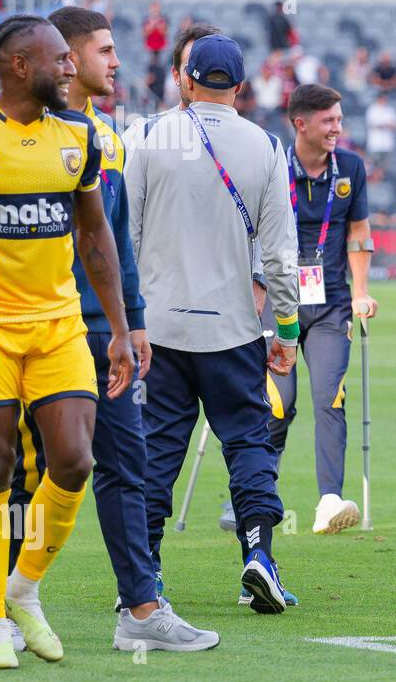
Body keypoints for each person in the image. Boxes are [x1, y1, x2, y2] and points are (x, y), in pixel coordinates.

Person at [7, 7, 218, 652]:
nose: (115, 61)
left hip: (103, 329)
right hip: (34, 325)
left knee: (128, 463)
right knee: (25, 468)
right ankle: (6, 610)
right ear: (64, 58)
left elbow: (113, 241)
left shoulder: (110, 138)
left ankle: (140, 608)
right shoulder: (19, 135)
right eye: (102, 50)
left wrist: (136, 322)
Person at [0, 14, 135, 668]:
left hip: (59, 326)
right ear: (19, 65)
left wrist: (118, 329)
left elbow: (95, 237)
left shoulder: (80, 135)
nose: (68, 69)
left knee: (75, 459)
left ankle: (26, 586)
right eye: (57, 60)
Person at [126, 33, 303, 613]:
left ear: (186, 78)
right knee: (249, 443)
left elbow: (123, 238)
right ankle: (259, 555)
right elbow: (279, 256)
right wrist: (286, 331)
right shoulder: (266, 145)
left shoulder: (146, 135)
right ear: (241, 85)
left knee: (155, 454)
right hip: (232, 329)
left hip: (160, 328)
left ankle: (144, 581)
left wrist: (124, 321)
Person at [264, 84, 376, 535]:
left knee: (331, 398)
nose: (337, 128)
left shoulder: (350, 167)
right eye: (329, 121)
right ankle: (255, 493)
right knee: (277, 404)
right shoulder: (272, 165)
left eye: (339, 119)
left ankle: (329, 500)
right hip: (277, 302)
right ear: (301, 123)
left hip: (330, 305)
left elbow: (359, 231)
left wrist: (361, 291)